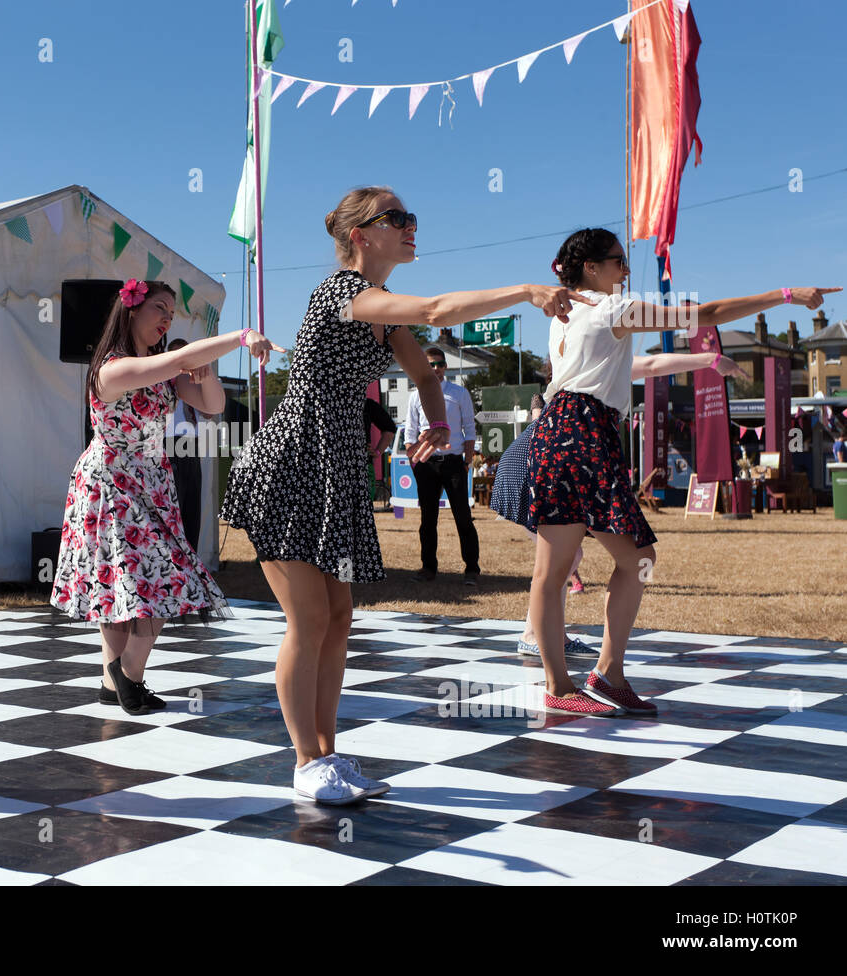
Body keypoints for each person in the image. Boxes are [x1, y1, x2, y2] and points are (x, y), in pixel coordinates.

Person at [220, 185, 593, 805]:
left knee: (338, 620)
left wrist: (439, 423)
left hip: (334, 466)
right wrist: (526, 291)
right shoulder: (344, 293)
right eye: (398, 218)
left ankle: (328, 755)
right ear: (361, 235)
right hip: (292, 462)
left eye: (411, 216)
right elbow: (438, 309)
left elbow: (424, 372)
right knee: (309, 621)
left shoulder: (382, 310)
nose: (412, 226)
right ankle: (305, 762)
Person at [526, 227, 839, 715]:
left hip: (566, 431)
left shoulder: (567, 315)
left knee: (595, 564)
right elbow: (706, 315)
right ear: (590, 267)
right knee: (604, 562)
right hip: (581, 433)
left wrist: (705, 359)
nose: (626, 271)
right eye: (617, 261)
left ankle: (594, 678)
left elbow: (644, 365)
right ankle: (576, 684)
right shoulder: (610, 309)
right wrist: (784, 295)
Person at [51, 279, 280, 716]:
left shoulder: (160, 370)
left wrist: (206, 371)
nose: (166, 320)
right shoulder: (112, 368)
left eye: (171, 314)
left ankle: (114, 678)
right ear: (132, 311)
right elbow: (177, 360)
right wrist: (240, 336)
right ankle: (127, 673)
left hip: (151, 478)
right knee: (141, 579)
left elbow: (213, 405)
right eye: (159, 308)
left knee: (138, 579)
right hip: (112, 481)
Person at [497, 352, 742, 656]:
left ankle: (546, 638)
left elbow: (651, 365)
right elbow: (652, 365)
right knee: (562, 559)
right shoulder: (597, 364)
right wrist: (711, 359)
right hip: (537, 461)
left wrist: (710, 360)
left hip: (542, 457)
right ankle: (535, 637)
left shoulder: (581, 368)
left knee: (566, 558)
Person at [405, 350, 480, 584]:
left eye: (439, 364)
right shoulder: (415, 395)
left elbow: (470, 428)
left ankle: (471, 569)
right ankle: (428, 568)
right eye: (430, 365)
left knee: (463, 517)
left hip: (454, 462)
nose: (435, 368)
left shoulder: (459, 393)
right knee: (428, 519)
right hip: (426, 465)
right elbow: (410, 430)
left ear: (445, 367)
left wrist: (467, 461)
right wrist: (414, 461)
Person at [165, 337, 205, 549]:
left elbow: (208, 413)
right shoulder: (162, 380)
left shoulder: (193, 382)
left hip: (191, 446)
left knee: (191, 508)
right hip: (169, 445)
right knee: (175, 507)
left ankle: (191, 561)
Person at [363, 396, 397, 502]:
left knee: (363, 508)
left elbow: (390, 428)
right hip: (329, 466)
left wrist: (377, 452)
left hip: (363, 467)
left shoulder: (367, 404)